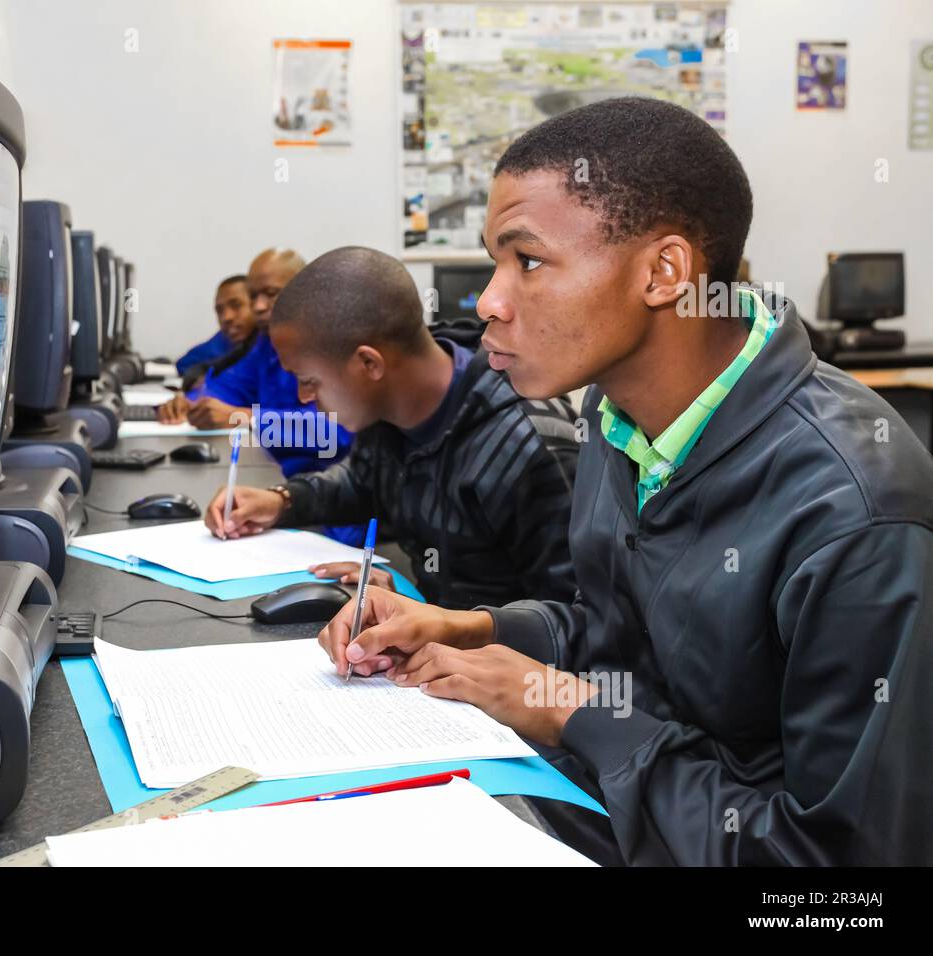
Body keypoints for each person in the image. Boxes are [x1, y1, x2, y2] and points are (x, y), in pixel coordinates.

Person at [317, 97, 933, 865]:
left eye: (528, 260)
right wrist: (472, 627)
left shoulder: (856, 506)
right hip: (612, 810)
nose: (490, 302)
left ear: (664, 272)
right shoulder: (616, 414)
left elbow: (838, 884)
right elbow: (622, 637)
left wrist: (571, 711)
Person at [204, 246, 579, 611]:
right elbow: (361, 482)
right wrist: (280, 501)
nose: (304, 397)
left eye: (310, 380)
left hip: (488, 663)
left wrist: (429, 620)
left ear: (369, 364)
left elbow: (575, 629)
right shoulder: (387, 408)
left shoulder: (528, 446)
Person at [159, 248, 354, 480]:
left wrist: (247, 417)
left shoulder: (331, 344)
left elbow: (335, 431)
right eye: (253, 296)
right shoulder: (266, 343)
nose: (259, 306)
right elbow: (229, 386)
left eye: (271, 293)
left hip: (321, 487)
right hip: (272, 474)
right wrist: (190, 403)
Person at [174, 274, 257, 387]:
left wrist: (239, 406)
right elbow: (186, 365)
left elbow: (259, 403)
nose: (226, 317)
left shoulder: (273, 348)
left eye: (236, 305)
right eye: (219, 311)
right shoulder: (230, 342)